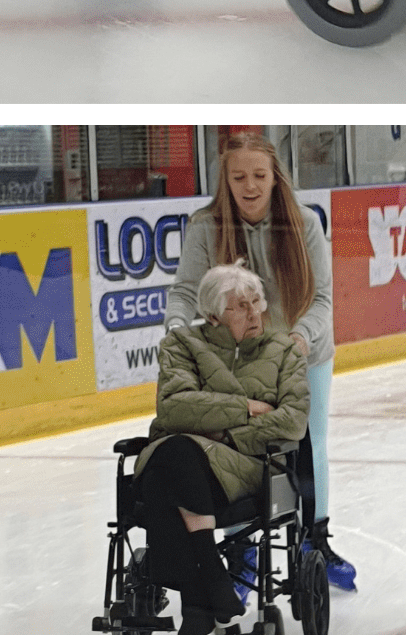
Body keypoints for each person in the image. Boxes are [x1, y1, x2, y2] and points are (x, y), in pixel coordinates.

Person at [165, 133, 353, 590]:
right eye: (239, 177)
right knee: (237, 446)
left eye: (259, 176)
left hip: (301, 353)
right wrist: (176, 330)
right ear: (225, 180)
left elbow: (323, 298)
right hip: (240, 360)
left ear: (275, 177)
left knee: (310, 442)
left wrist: (298, 340)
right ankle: (241, 549)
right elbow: (186, 291)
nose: (249, 186)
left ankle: (315, 540)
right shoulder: (206, 226)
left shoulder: (303, 223)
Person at [136, 262, 310, 635]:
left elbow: (293, 420)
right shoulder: (182, 345)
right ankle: (210, 580)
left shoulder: (283, 352)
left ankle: (201, 604)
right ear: (212, 316)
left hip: (247, 466)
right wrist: (242, 408)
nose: (253, 313)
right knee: (176, 455)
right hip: (185, 464)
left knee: (165, 467)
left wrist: (229, 436)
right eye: (240, 306)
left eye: (256, 302)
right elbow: (173, 407)